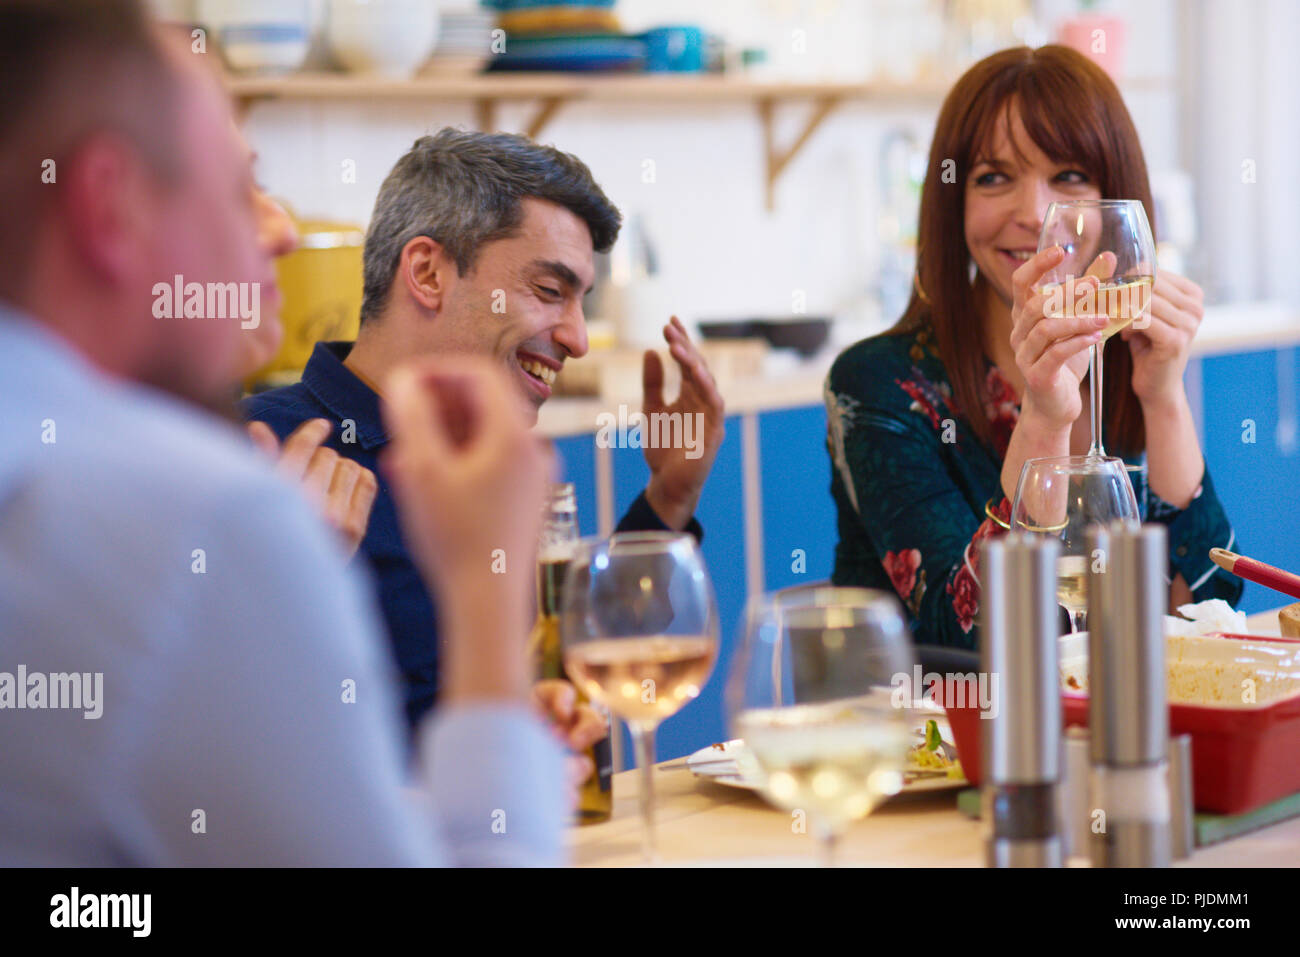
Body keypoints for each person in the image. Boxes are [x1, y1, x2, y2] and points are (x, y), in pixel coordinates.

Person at [0, 0, 566, 865]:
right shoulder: (204, 511)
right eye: (237, 187)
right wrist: (489, 604)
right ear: (108, 209)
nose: (284, 229)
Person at [243, 129, 727, 731]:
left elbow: (587, 653)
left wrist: (670, 497)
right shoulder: (257, 457)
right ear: (427, 272)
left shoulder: (497, 461)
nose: (577, 338)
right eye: (550, 292)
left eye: (582, 304)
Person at [824, 45, 1241, 649]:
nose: (1036, 213)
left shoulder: (1126, 356)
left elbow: (1208, 617)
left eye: (1069, 177)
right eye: (994, 178)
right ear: (952, 203)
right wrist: (1045, 417)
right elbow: (972, 640)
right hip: (939, 734)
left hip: (1109, 731)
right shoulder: (878, 386)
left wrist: (1164, 397)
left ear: (1115, 198)